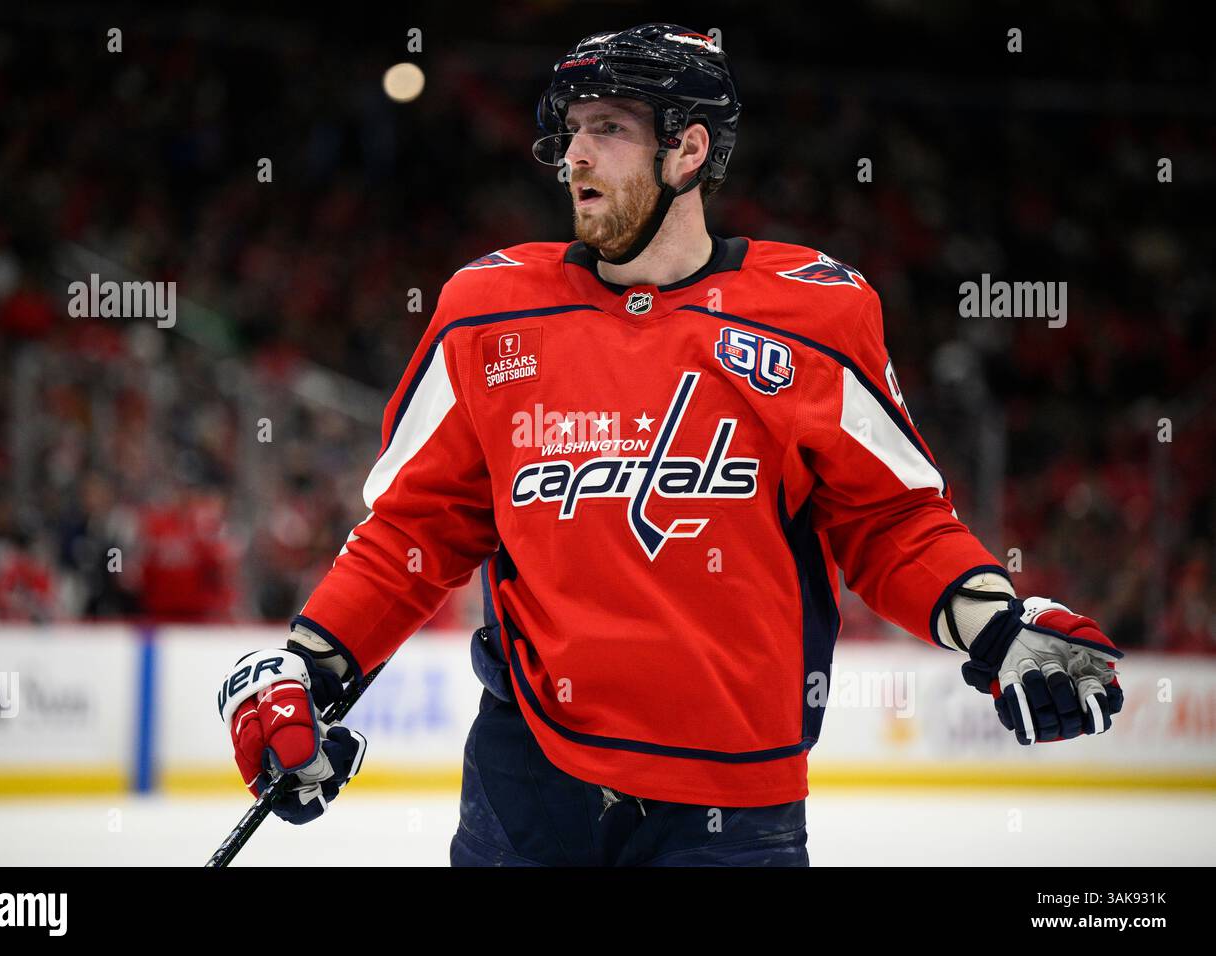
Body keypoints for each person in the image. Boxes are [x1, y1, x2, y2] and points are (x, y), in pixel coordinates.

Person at [215, 23, 1124, 866]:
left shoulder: (816, 312)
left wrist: (1000, 630)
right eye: (570, 130)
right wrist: (305, 663)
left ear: (688, 151)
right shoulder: (487, 312)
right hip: (527, 782)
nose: (574, 154)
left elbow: (891, 519)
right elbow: (416, 528)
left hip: (732, 807)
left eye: (608, 128)